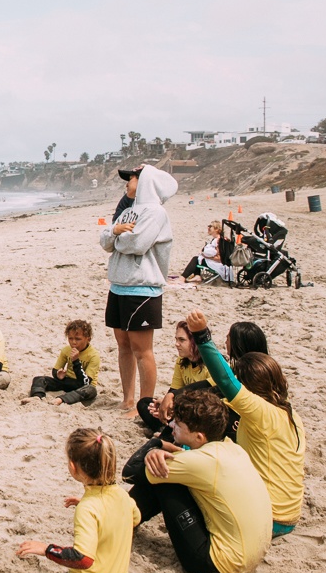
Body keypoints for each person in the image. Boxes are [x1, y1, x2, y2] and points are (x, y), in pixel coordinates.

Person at [128, 389, 272, 573]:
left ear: (199, 437)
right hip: (250, 559)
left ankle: (122, 520)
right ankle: (126, 517)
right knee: (167, 472)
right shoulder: (233, 448)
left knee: (163, 476)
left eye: (177, 424)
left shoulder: (203, 461)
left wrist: (156, 444)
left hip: (216, 567)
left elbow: (130, 472)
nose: (170, 425)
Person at [184, 312, 305, 536]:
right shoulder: (290, 413)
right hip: (289, 514)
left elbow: (225, 379)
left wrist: (202, 335)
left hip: (270, 516)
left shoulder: (260, 412)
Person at [14, 429, 140, 573]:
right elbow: (135, 518)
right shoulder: (123, 497)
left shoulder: (88, 508)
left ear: (73, 467)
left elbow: (82, 559)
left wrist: (45, 549)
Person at [98, 165, 178, 419]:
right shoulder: (130, 211)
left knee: (142, 350)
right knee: (123, 345)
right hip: (119, 286)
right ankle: (127, 399)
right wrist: (114, 232)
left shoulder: (156, 212)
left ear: (145, 182)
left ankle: (143, 405)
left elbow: (137, 244)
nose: (127, 182)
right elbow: (105, 242)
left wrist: (117, 236)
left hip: (143, 288)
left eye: (131, 178)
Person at [136, 322, 213, 435]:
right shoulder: (181, 361)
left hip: (202, 411)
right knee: (145, 404)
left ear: (195, 341)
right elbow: (174, 390)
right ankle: (166, 428)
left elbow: (209, 401)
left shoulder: (210, 364)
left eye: (182, 340)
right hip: (181, 407)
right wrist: (164, 407)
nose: (177, 344)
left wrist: (174, 408)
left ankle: (167, 430)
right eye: (176, 339)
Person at [28, 319, 100, 405]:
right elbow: (55, 370)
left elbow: (85, 382)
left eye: (78, 339)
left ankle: (60, 400)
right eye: (70, 338)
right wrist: (58, 375)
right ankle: (37, 396)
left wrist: (76, 361)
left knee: (91, 390)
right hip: (68, 381)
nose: (73, 342)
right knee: (39, 379)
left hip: (82, 386)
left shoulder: (94, 355)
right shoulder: (66, 350)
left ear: (88, 339)